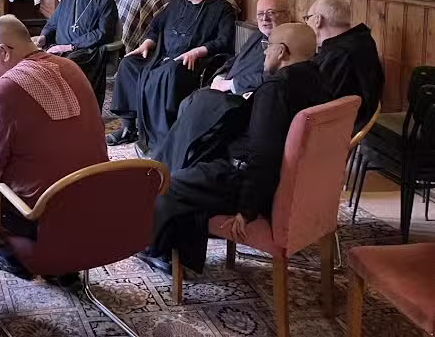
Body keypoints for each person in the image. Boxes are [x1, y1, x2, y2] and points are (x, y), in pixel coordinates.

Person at [139, 23, 331, 274]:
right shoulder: (320, 81)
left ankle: (156, 249)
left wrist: (247, 209)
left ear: (282, 52)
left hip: (250, 183)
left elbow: (263, 155)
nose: (264, 52)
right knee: (198, 166)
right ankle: (183, 254)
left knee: (173, 183)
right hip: (295, 183)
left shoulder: (275, 90)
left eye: (267, 46)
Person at [0, 15, 108, 282]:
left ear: (4, 51)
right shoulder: (71, 67)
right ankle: (64, 268)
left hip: (43, 212)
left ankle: (19, 260)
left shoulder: (5, 88)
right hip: (94, 201)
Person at [150, 0, 292, 170]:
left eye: (271, 13)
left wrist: (231, 84)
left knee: (197, 105)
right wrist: (221, 75)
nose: (264, 19)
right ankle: (171, 162)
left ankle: (173, 166)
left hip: (245, 101)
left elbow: (278, 78)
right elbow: (236, 60)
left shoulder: (291, 43)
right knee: (189, 103)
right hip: (227, 91)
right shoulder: (258, 35)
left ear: (287, 14)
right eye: (260, 14)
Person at [107, 0, 236, 151]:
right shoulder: (176, 3)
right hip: (162, 56)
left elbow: (224, 41)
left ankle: (161, 137)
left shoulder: (222, 9)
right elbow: (155, 27)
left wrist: (198, 51)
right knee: (128, 64)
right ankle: (128, 127)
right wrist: (147, 44)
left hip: (192, 63)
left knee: (167, 73)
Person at [33, 0, 119, 109]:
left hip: (87, 51)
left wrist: (70, 46)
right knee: (34, 63)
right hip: (59, 48)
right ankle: (47, 110)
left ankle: (72, 111)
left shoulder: (105, 1)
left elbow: (103, 33)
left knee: (64, 65)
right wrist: (43, 37)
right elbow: (52, 23)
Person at [306, 0, 384, 132]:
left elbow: (316, 102)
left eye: (307, 18)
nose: (306, 24)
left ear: (317, 20)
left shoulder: (339, 54)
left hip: (335, 130)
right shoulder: (361, 40)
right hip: (354, 121)